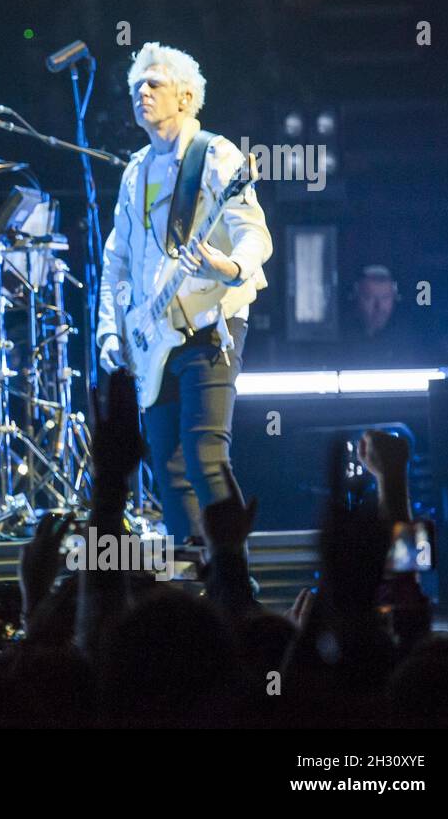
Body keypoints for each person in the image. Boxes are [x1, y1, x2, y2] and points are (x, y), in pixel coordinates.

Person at [97, 42, 272, 542]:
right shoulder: (135, 173)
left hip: (209, 327)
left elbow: (254, 232)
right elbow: (118, 260)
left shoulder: (215, 156)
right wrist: (113, 329)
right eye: (135, 87)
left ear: (186, 95)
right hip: (152, 338)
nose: (142, 93)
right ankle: (198, 579)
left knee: (205, 457)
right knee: (169, 469)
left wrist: (231, 266)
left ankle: (236, 581)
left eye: (154, 84)